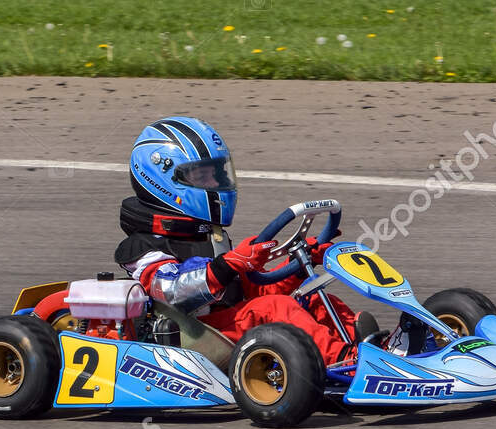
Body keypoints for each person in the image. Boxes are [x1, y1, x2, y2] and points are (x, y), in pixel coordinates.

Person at [115, 116, 398, 366]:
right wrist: (226, 267)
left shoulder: (209, 235)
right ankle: (341, 361)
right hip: (191, 336)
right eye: (203, 176)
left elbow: (251, 291)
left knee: (308, 299)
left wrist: (299, 264)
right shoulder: (143, 247)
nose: (215, 184)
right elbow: (171, 292)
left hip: (225, 326)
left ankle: (372, 350)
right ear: (162, 181)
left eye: (217, 174)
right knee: (276, 309)